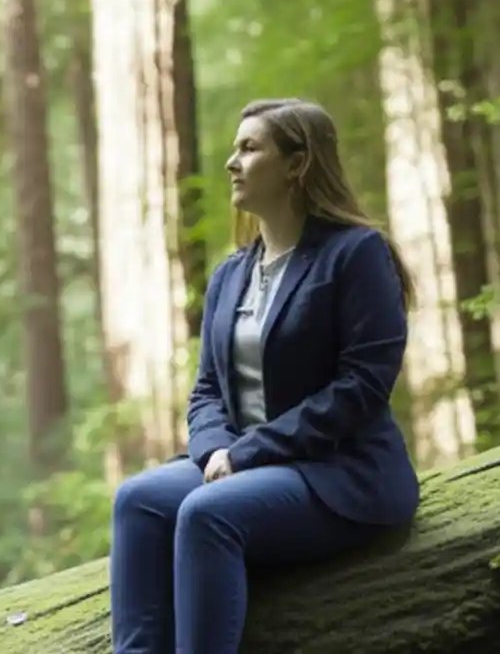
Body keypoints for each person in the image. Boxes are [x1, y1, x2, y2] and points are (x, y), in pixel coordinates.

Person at [108, 98, 420, 653]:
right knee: (138, 499)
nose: (232, 162)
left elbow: (363, 387)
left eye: (250, 148)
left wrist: (248, 454)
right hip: (240, 464)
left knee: (207, 514)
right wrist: (213, 453)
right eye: (235, 148)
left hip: (338, 472)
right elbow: (206, 390)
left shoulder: (356, 254)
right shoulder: (232, 274)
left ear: (297, 165)